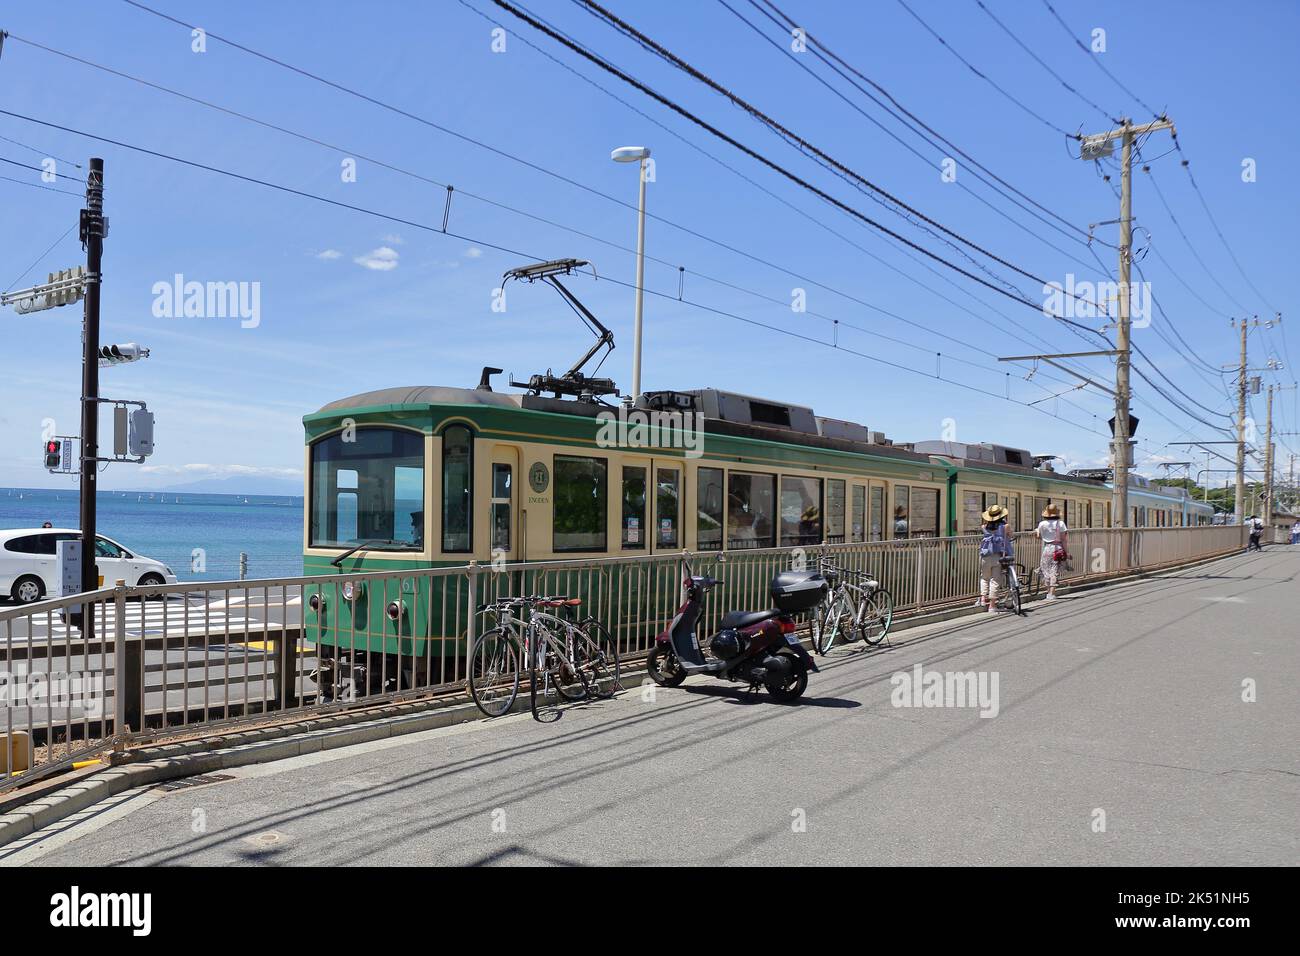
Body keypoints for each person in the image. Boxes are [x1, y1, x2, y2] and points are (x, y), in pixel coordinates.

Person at [976, 503, 1013, 613]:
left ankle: (983, 599)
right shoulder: (1005, 526)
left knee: (984, 577)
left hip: (985, 556)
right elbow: (1010, 535)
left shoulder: (984, 527)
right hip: (998, 556)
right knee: (995, 580)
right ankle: (992, 606)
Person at [1036, 503, 1068, 601]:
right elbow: (1063, 539)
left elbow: (1038, 537)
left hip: (1046, 548)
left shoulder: (1042, 524)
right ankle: (1052, 593)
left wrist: (1037, 531)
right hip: (1057, 548)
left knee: (1045, 570)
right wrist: (1066, 552)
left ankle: (1047, 592)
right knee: (1054, 570)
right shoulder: (1061, 524)